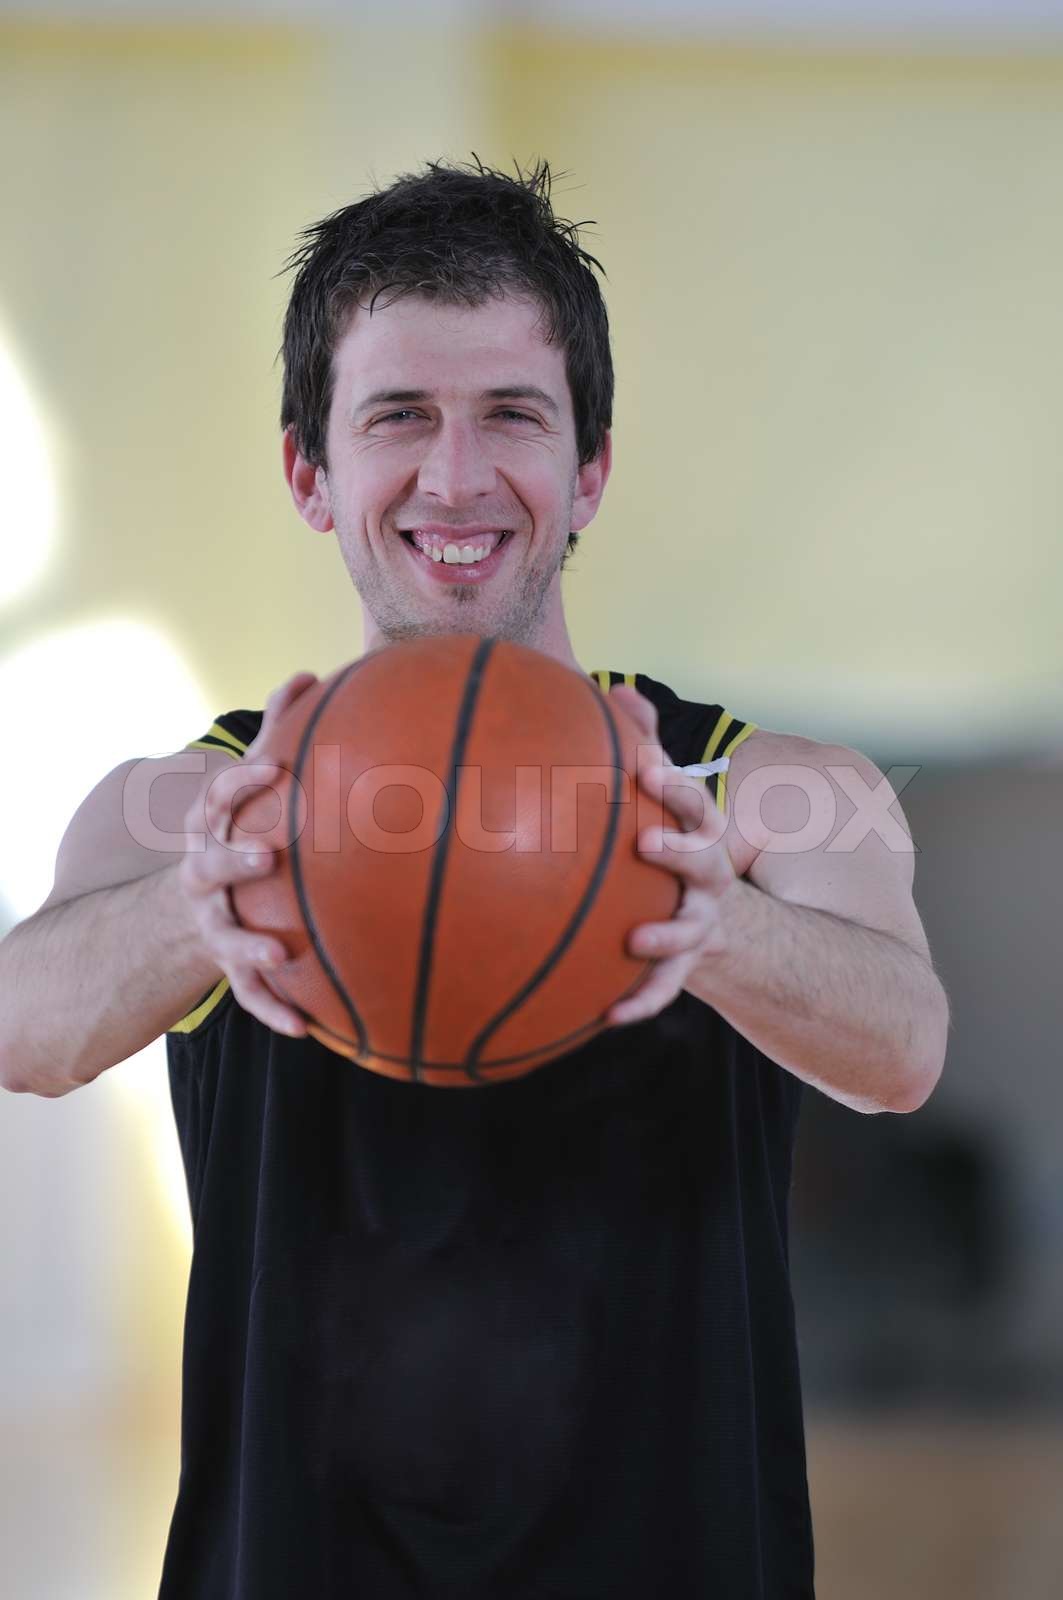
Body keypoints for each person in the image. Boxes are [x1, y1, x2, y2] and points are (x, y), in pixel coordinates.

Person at [0, 156, 949, 1599]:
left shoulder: (750, 795)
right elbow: (29, 1030)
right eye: (399, 418)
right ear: (310, 472)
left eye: (512, 414)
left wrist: (707, 924)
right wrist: (207, 899)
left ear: (591, 469)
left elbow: (903, 1050)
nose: (456, 478)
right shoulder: (199, 803)